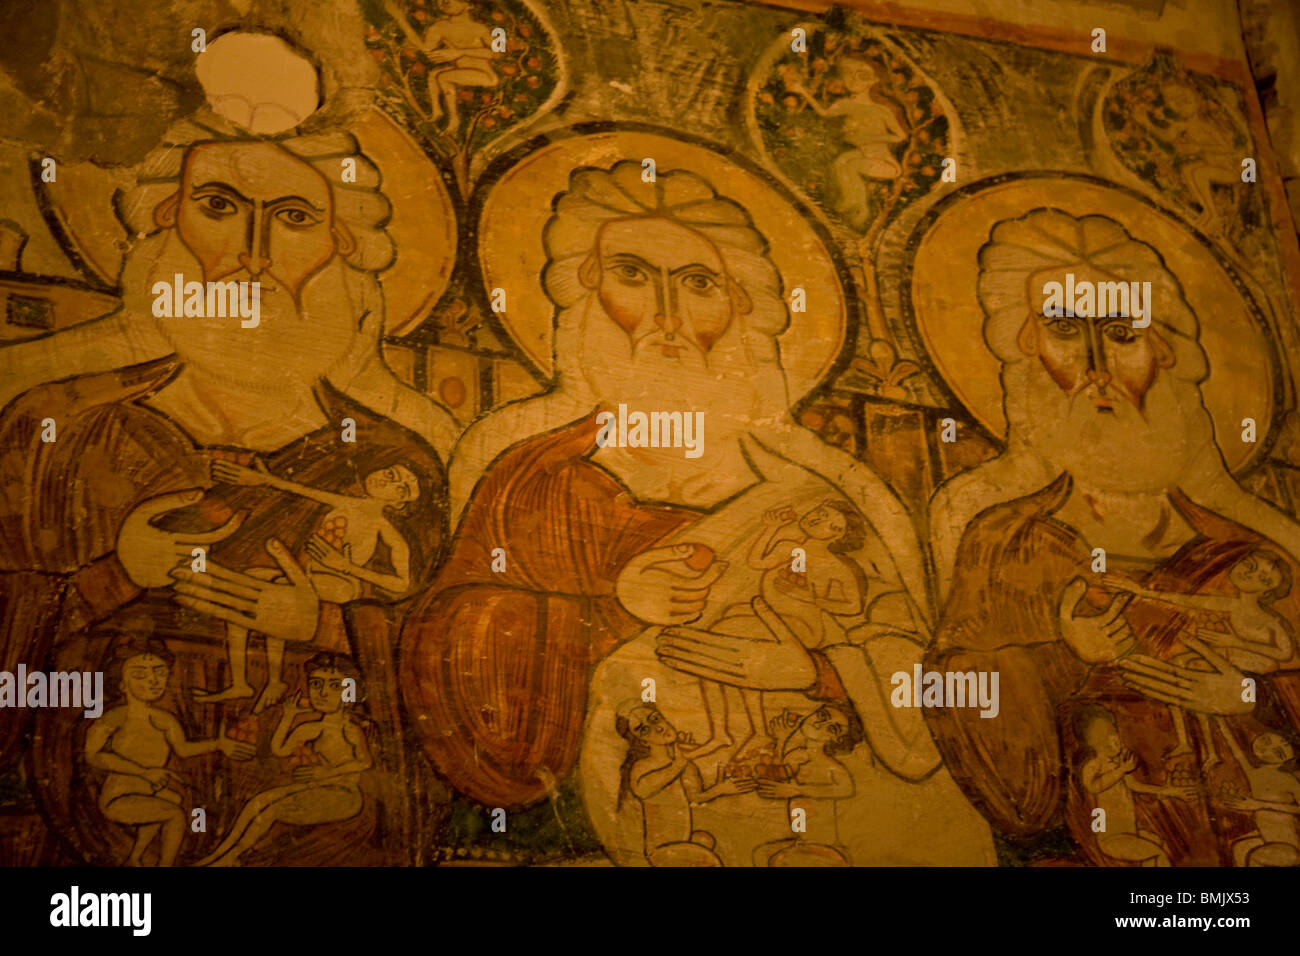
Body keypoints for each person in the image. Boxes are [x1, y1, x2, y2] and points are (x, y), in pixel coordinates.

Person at [925, 208, 1300, 865]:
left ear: (1166, 355)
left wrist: (1253, 695)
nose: (1096, 366)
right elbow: (958, 705)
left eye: (1123, 333)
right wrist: (1067, 655)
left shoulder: (1257, 558)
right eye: (1066, 331)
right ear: (1028, 354)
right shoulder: (1005, 538)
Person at [196, 457, 422, 712]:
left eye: (400, 487)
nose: (387, 480)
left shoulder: (386, 529)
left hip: (341, 584)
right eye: (391, 472)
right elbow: (301, 490)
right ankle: (241, 682)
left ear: (398, 502)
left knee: (275, 590)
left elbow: (402, 584)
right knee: (252, 579)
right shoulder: (349, 503)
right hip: (309, 576)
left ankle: (274, 681)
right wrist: (265, 480)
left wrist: (347, 567)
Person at [85, 638, 255, 866]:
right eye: (139, 674)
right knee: (175, 815)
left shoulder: (165, 720)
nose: (152, 680)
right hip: (119, 797)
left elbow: (183, 750)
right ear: (122, 684)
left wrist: (219, 744)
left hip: (151, 792)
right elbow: (93, 755)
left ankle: (135, 858)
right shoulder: (115, 717)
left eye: (160, 672)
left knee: (174, 800)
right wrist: (144, 772)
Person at [197, 654, 372, 867]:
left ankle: (230, 858)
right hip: (318, 787)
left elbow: (365, 762)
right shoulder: (310, 728)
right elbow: (279, 750)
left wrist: (325, 773)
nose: (323, 693)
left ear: (349, 692)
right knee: (258, 802)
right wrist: (288, 716)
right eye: (316, 684)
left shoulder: (349, 730)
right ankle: (218, 855)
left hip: (345, 797)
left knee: (272, 809)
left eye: (335, 686)